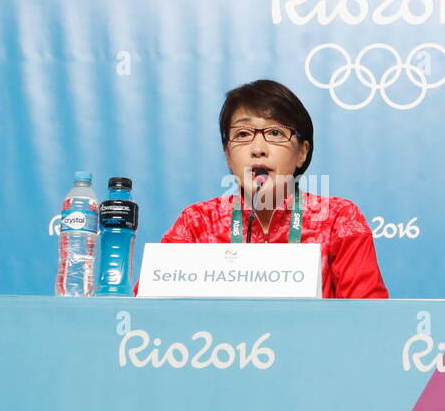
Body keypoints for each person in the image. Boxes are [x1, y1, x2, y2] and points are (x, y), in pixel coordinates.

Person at [160, 79, 388, 298]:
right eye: (242, 134)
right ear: (227, 156)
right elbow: (150, 313)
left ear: (302, 152)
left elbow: (370, 319)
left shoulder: (338, 220)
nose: (258, 149)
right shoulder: (197, 223)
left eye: (275, 133)